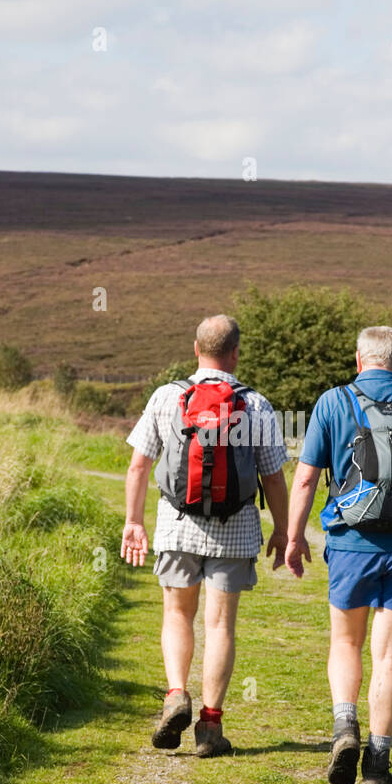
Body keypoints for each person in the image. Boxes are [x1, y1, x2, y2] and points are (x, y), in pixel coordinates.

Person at [285, 326, 392, 784]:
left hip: (349, 542)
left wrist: (294, 536)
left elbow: (304, 480)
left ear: (358, 360)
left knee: (346, 642)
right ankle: (378, 763)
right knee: (389, 654)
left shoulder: (332, 403)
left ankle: (345, 728)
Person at [122, 315, 289, 757]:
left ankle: (176, 694)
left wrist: (133, 521)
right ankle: (210, 727)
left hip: (177, 525)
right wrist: (284, 530)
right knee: (220, 624)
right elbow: (273, 477)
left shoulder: (166, 397)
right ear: (236, 353)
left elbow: (139, 465)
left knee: (178, 614)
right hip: (234, 529)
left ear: (195, 349)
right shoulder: (255, 406)